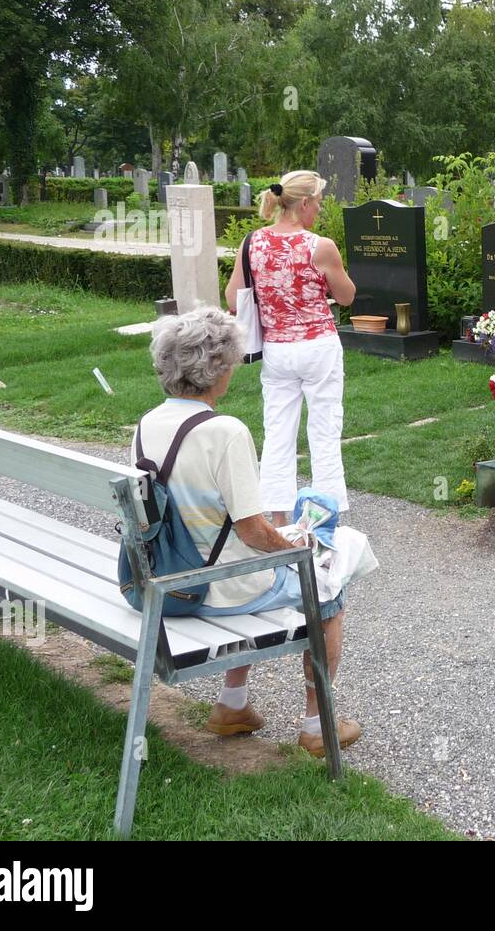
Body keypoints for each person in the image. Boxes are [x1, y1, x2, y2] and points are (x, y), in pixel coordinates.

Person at [140, 306, 360, 755]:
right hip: (215, 589)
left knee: (254, 560)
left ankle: (232, 704)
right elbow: (253, 532)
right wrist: (298, 547)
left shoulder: (146, 423)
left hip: (168, 579)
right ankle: (319, 727)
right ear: (218, 368)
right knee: (329, 590)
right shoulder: (225, 432)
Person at [226, 170, 356, 526]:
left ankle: (279, 521)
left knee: (278, 433)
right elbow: (346, 296)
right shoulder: (320, 246)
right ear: (303, 203)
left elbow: (231, 298)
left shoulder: (252, 242)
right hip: (318, 346)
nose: (320, 209)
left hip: (277, 350)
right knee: (324, 431)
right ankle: (323, 518)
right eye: (318, 202)